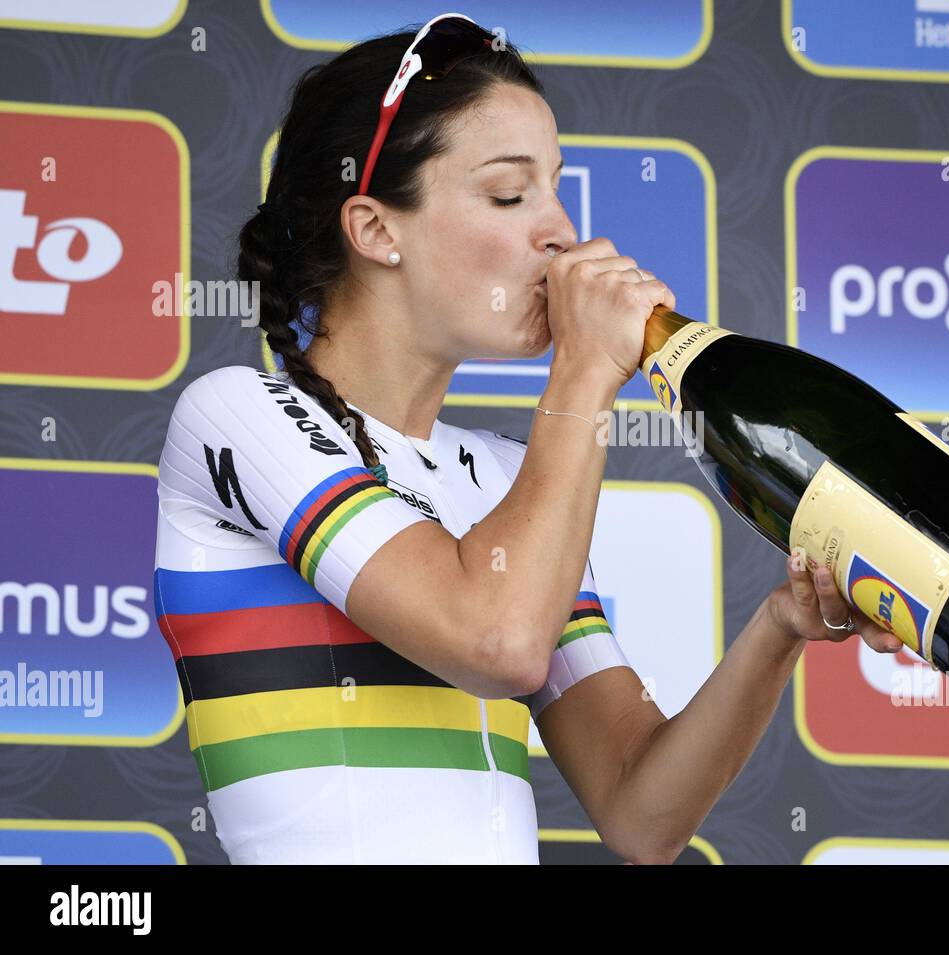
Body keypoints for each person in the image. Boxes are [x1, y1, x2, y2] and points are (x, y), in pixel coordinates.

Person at [152, 13, 900, 865]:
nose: (561, 232)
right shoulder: (236, 415)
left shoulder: (511, 477)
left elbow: (641, 813)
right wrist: (584, 370)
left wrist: (780, 626)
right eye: (510, 194)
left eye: (555, 189)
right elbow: (498, 641)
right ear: (374, 229)